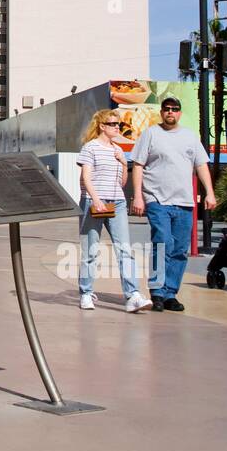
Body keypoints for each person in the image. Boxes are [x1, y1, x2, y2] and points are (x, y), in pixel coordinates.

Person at [130, 96, 216, 312]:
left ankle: (170, 294)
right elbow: (138, 165)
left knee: (179, 249)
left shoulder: (189, 136)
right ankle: (157, 292)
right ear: (161, 112)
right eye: (167, 109)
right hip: (157, 199)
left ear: (179, 113)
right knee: (162, 242)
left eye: (175, 109)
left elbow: (202, 165)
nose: (171, 112)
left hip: (184, 202)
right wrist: (138, 196)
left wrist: (210, 193)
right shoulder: (151, 133)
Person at [76, 109, 152, 313]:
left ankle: (133, 295)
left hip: (117, 202)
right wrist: (96, 199)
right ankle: (85, 293)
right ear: (102, 126)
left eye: (118, 124)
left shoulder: (118, 149)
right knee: (90, 250)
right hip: (93, 202)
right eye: (113, 124)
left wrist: (123, 161)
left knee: (124, 249)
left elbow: (122, 182)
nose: (117, 127)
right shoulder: (90, 148)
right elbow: (86, 177)